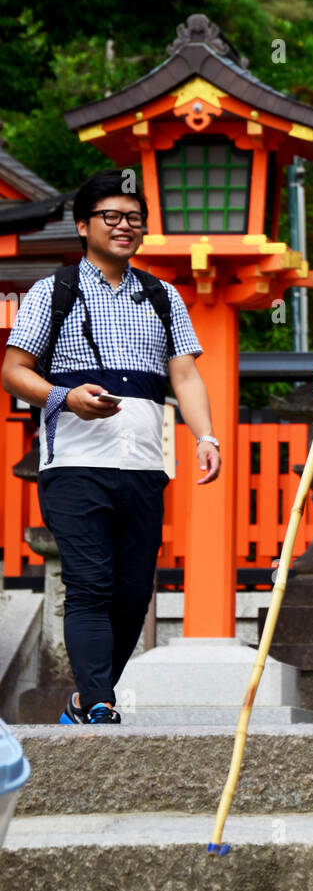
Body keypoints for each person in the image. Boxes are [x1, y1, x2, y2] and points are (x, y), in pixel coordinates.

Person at [1, 169, 220, 725]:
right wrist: (63, 396)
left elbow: (186, 377)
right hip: (75, 463)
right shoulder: (53, 291)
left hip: (144, 465)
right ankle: (100, 702)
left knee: (131, 593)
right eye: (112, 217)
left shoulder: (162, 294)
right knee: (90, 584)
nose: (126, 227)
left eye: (135, 219)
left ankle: (84, 699)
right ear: (83, 225)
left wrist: (206, 436)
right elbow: (13, 371)